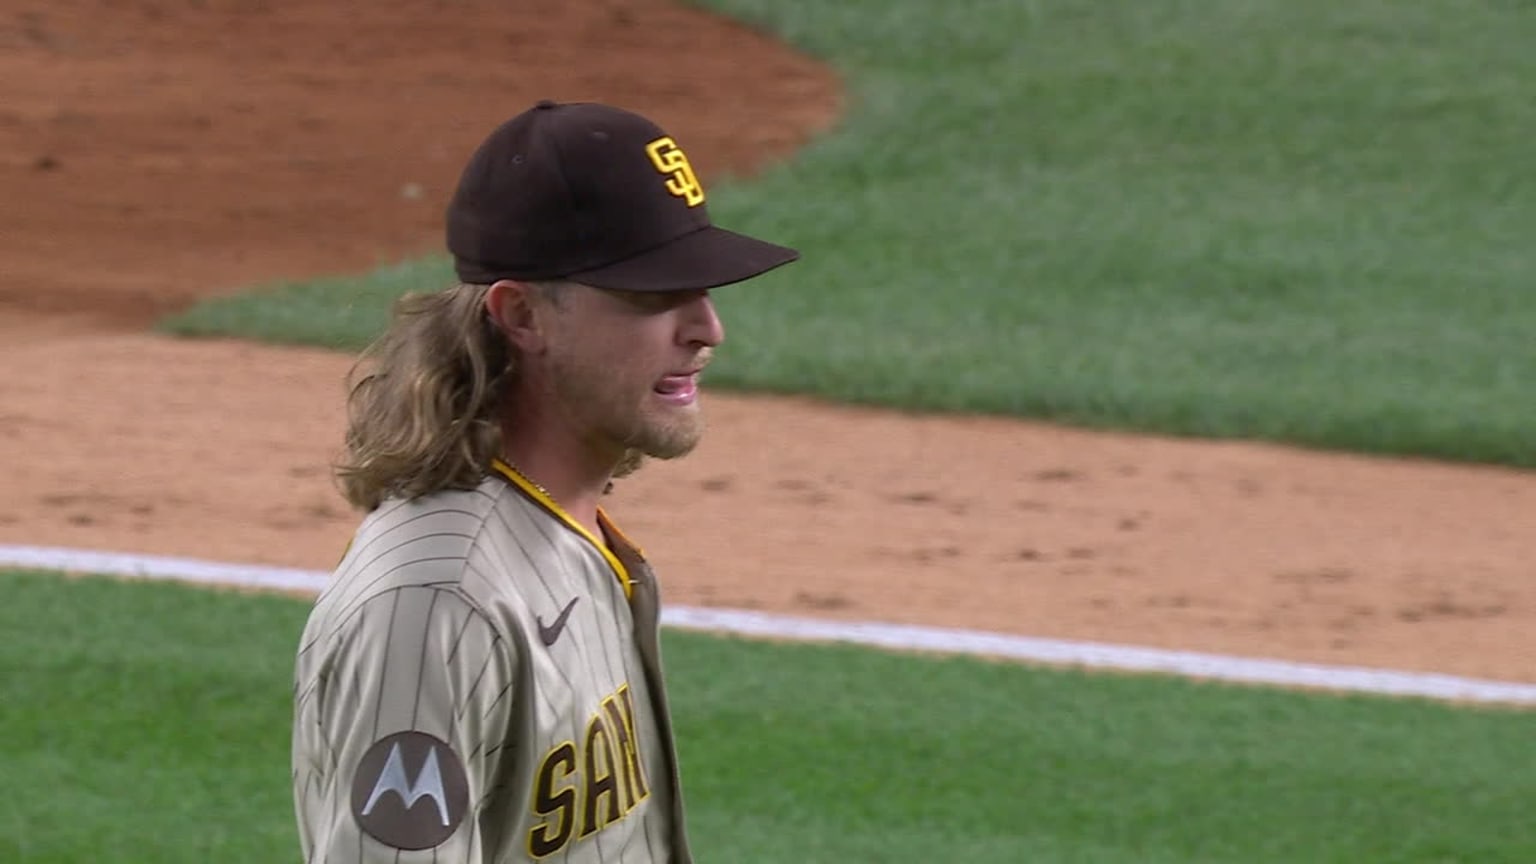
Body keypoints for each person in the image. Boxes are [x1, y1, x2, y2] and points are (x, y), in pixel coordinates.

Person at [290, 99, 799, 863]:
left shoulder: (564, 529)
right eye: (654, 296)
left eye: (703, 288)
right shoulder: (437, 605)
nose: (706, 327)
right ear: (524, 316)